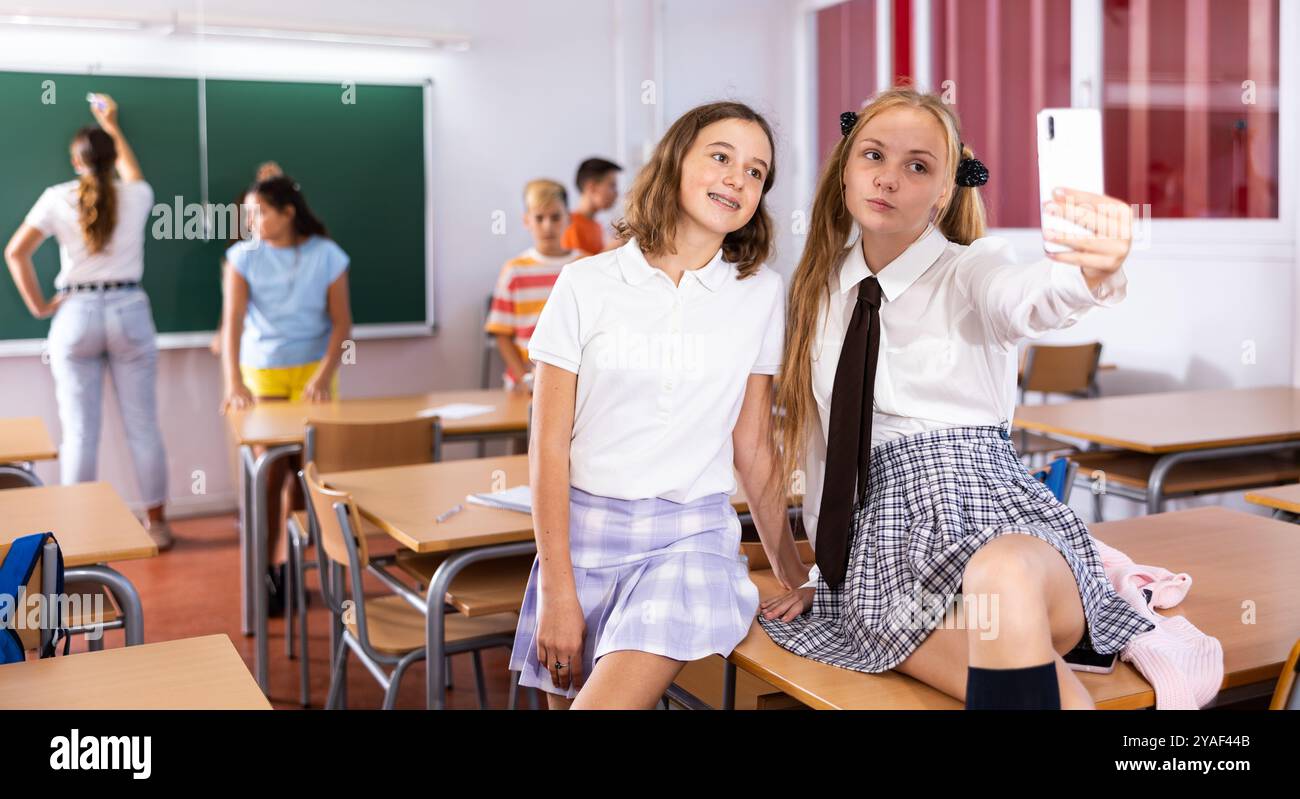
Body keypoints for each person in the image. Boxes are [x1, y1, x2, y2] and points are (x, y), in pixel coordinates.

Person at [758, 87, 1154, 709]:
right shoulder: (816, 289)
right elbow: (822, 451)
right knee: (1026, 690)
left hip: (993, 521)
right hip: (884, 560)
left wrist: (1091, 271)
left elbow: (1027, 295)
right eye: (873, 156)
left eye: (918, 166)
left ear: (944, 192)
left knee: (999, 577)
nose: (889, 179)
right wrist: (823, 574)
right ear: (845, 169)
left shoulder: (972, 269)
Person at [508, 101, 805, 709]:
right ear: (674, 164)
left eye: (755, 172)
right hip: (579, 537)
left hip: (687, 541)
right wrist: (557, 588)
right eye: (720, 157)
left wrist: (796, 573)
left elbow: (753, 447)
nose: (736, 179)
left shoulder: (761, 293)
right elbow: (548, 449)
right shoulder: (584, 284)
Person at [4, 93, 174, 550]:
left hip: (75, 313)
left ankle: (75, 531)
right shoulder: (137, 194)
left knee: (78, 429)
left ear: (74, 161)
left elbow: (14, 252)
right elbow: (132, 172)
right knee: (143, 425)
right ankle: (156, 524)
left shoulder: (57, 198)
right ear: (114, 157)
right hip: (130, 309)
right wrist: (112, 123)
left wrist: (40, 306)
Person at [219, 175, 351, 613]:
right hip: (263, 373)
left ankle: (293, 568)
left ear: (288, 212)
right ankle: (263, 573)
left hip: (313, 374)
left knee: (303, 478)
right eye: (249, 213)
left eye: (260, 212)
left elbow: (341, 324)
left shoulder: (327, 255)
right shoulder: (242, 257)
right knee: (268, 474)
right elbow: (233, 322)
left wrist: (322, 374)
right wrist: (233, 381)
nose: (252, 221)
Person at [484, 179, 584, 392]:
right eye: (539, 218)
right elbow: (502, 334)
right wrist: (523, 379)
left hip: (574, 380)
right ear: (526, 221)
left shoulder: (585, 266)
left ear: (568, 218)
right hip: (525, 382)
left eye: (555, 217)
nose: (547, 226)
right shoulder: (514, 271)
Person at [561, 157, 621, 255]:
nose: (616, 193)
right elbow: (576, 266)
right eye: (612, 186)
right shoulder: (570, 225)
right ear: (591, 187)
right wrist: (615, 246)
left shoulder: (597, 226)